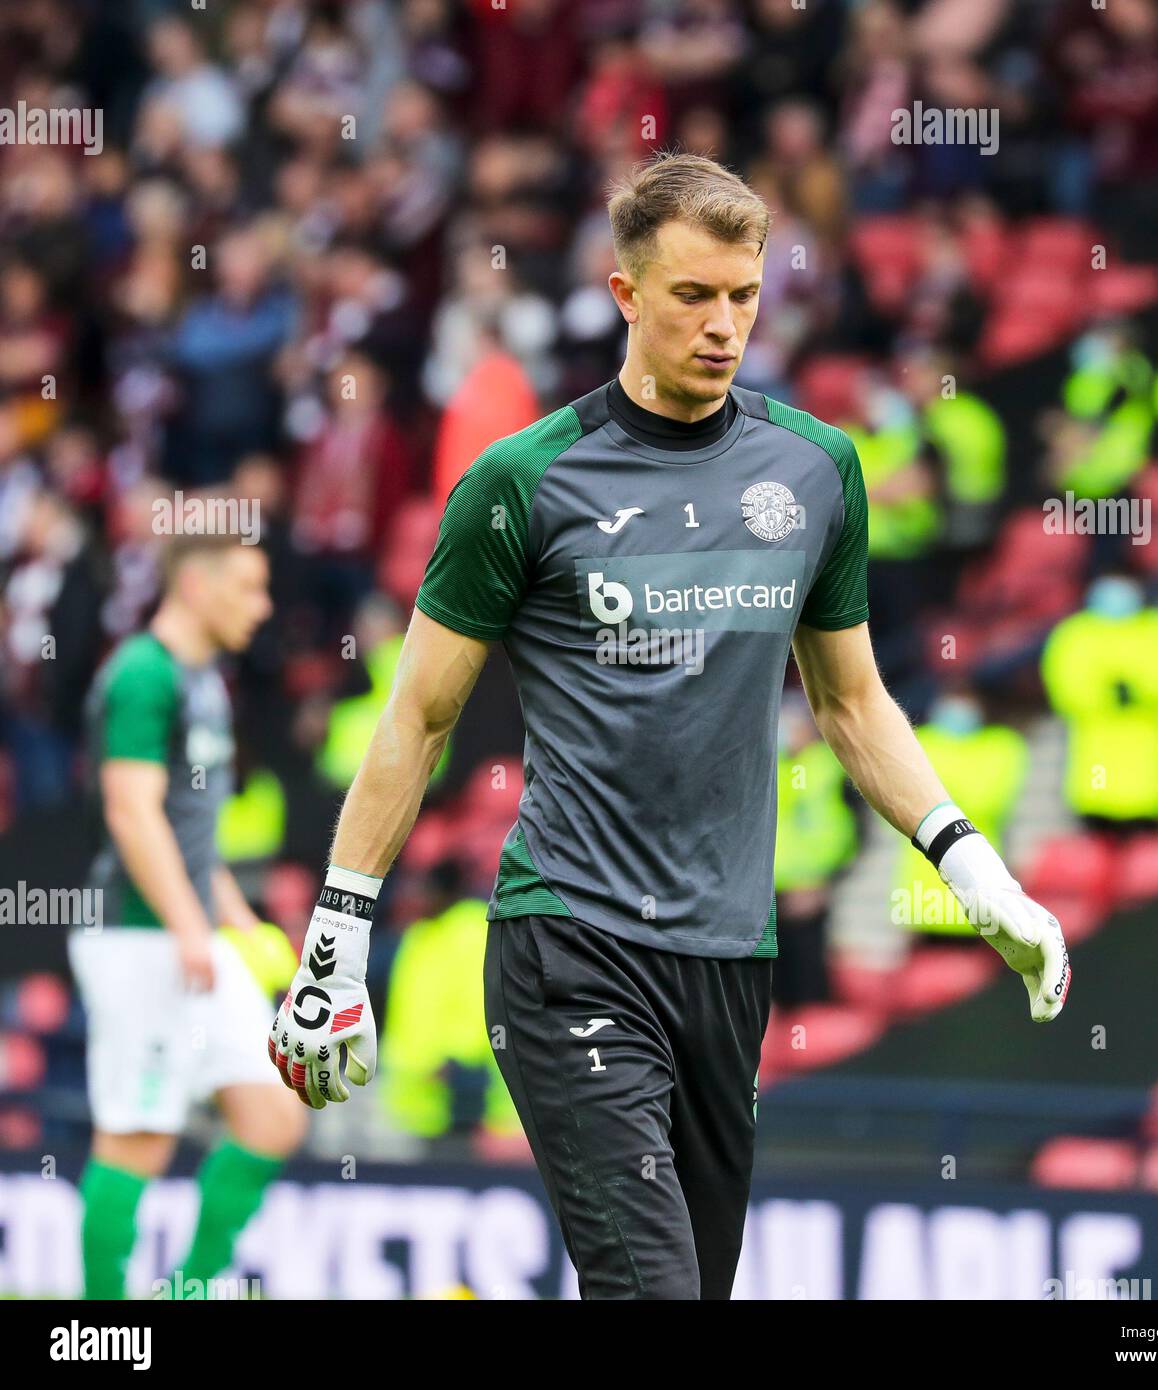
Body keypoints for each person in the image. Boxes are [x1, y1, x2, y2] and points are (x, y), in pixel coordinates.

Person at [269, 152, 1070, 1301]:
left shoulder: (814, 470)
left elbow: (850, 701)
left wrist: (971, 861)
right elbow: (418, 716)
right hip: (571, 944)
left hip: (730, 959)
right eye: (693, 296)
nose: (723, 325)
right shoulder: (523, 482)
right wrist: (338, 934)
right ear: (625, 294)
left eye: (742, 296)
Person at [72, 532, 306, 1299]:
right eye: (249, 587)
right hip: (141, 938)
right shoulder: (142, 672)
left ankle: (187, 1292)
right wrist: (186, 925)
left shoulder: (203, 679)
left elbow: (185, 829)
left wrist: (232, 918)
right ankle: (104, 1327)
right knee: (137, 1139)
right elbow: (132, 813)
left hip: (190, 930)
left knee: (276, 1115)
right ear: (197, 585)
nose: (262, 606)